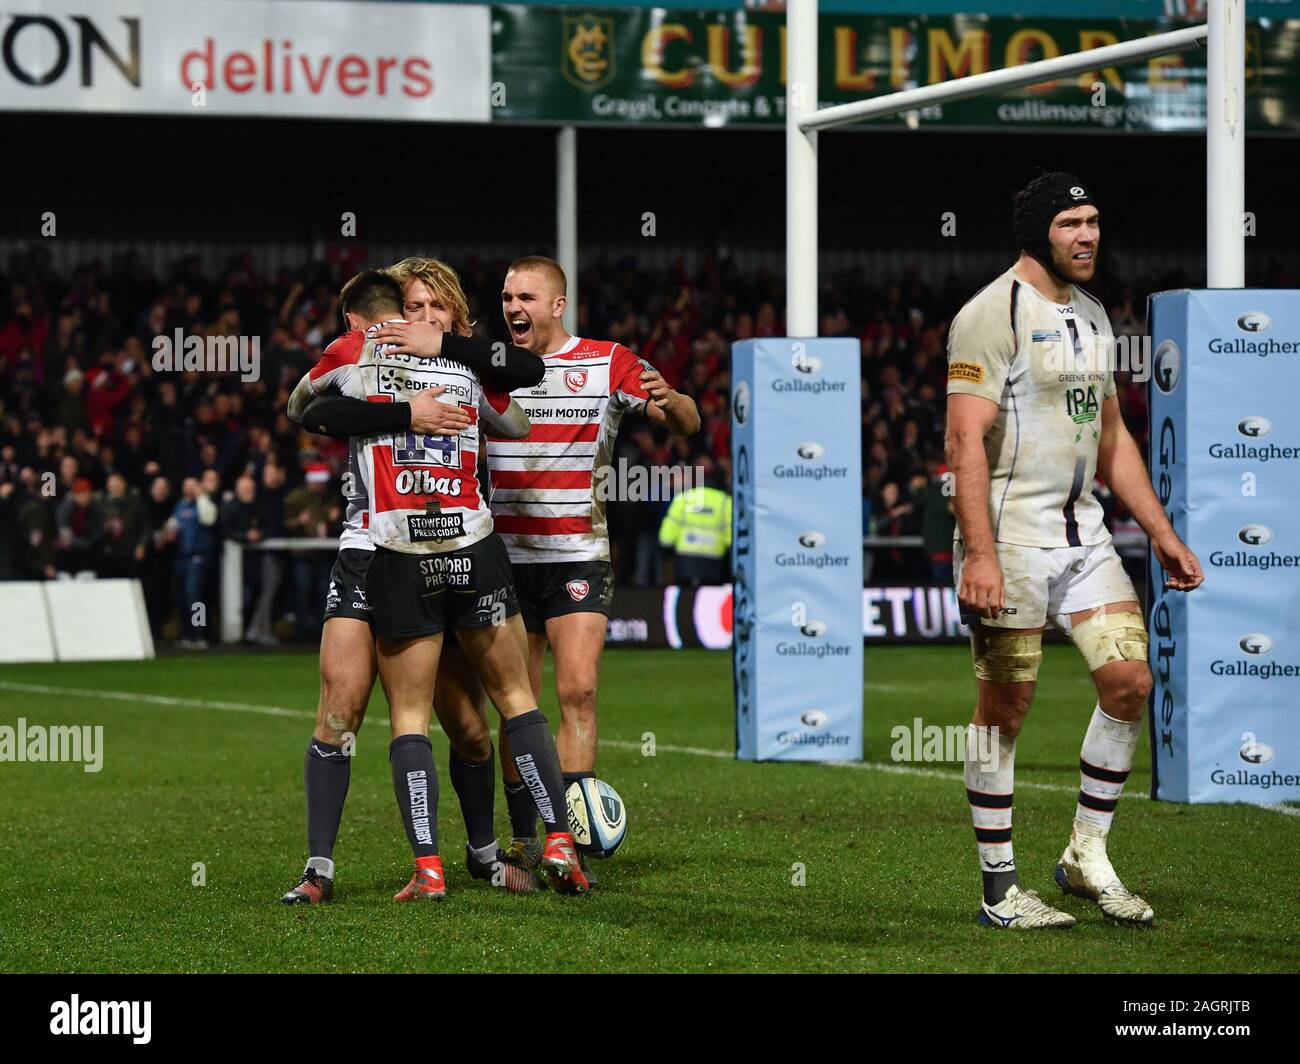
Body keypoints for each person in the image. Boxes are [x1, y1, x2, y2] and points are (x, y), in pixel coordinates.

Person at [945, 171, 1203, 931]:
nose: (1089, 235)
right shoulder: (992, 315)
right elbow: (963, 440)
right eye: (1071, 224)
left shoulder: (1092, 314)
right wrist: (980, 556)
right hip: (1010, 538)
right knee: (1006, 708)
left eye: (1093, 221)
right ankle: (999, 889)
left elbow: (1114, 435)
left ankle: (1085, 856)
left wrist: (1162, 534)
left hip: (1083, 536)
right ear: (1037, 234)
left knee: (1129, 682)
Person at [278, 262, 556, 903]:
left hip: (448, 550)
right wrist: (406, 412)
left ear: (453, 314)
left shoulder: (467, 361)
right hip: (366, 550)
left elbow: (520, 401)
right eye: (412, 304)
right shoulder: (359, 349)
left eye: (434, 306)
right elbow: (306, 410)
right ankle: (318, 868)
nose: (420, 316)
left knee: (467, 727)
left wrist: (452, 357)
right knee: (340, 711)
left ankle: (484, 853)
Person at [470, 255, 700, 883]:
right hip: (504, 556)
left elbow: (686, 424)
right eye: (507, 296)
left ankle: (565, 838)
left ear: (556, 305)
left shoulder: (606, 361)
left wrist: (672, 399)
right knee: (521, 705)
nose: (514, 307)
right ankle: (523, 836)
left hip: (577, 553)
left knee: (579, 691)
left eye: (526, 297)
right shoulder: (492, 363)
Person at [657, 470, 731, 586]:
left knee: (686, 597)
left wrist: (665, 547)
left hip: (685, 558)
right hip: (713, 560)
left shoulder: (684, 498)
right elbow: (730, 532)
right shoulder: (725, 501)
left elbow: (671, 524)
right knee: (708, 598)